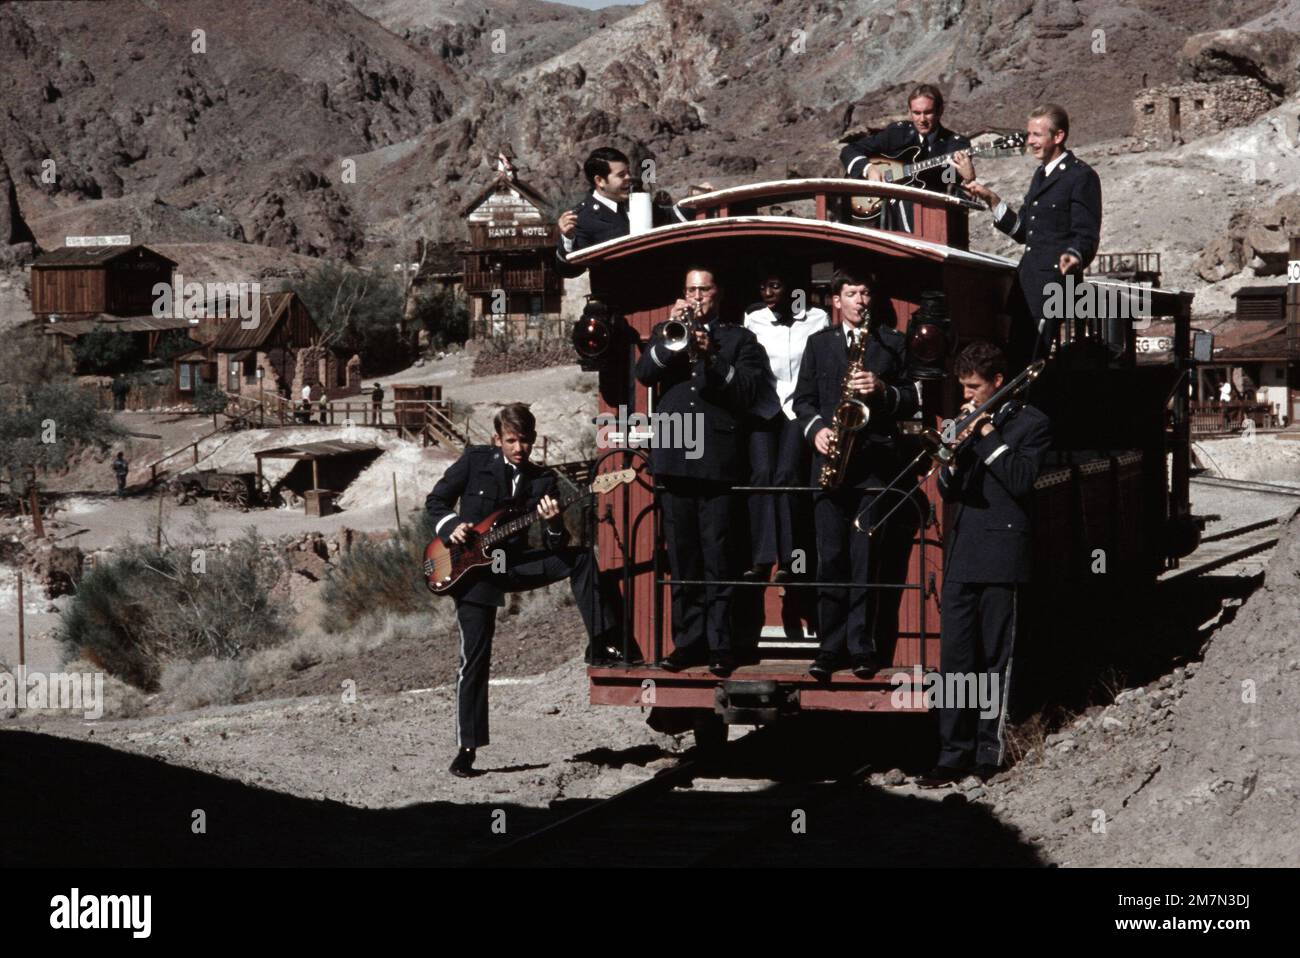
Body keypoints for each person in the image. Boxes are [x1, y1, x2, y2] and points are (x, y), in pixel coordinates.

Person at [425, 403, 623, 777]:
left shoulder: (542, 480)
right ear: (497, 439)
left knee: (579, 558)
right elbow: (435, 501)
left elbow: (554, 545)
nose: (520, 448)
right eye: (512, 440)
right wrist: (450, 526)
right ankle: (467, 749)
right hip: (473, 572)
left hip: (512, 565)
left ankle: (603, 640)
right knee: (475, 658)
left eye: (526, 440)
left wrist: (552, 524)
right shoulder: (474, 462)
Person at [917, 341, 1051, 787]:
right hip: (963, 555)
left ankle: (987, 751)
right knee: (955, 662)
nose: (969, 395)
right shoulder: (967, 423)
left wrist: (987, 436)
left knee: (995, 660)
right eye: (963, 387)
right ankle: (950, 753)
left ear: (997, 382)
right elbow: (952, 491)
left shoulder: (1032, 424)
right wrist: (951, 454)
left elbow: (1019, 480)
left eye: (975, 387)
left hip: (1002, 556)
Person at [636, 267, 767, 677]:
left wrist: (711, 354)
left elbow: (749, 392)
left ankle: (721, 646)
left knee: (719, 559)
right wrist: (670, 339)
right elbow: (644, 373)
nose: (697, 297)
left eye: (704, 290)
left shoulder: (739, 339)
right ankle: (687, 643)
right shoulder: (667, 330)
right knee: (684, 559)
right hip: (675, 457)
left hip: (717, 461)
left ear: (718, 293)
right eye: (690, 289)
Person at [793, 270, 918, 680]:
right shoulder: (818, 344)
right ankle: (829, 648)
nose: (860, 301)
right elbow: (803, 402)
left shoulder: (891, 343)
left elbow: (912, 400)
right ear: (836, 300)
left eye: (866, 293)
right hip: (830, 466)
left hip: (874, 469)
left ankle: (862, 647)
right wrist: (817, 432)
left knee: (866, 561)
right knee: (830, 560)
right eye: (851, 294)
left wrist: (881, 388)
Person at [951, 103, 1102, 362]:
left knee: (1035, 362)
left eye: (1036, 135)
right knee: (1019, 360)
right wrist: (992, 199)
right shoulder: (1040, 175)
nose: (1029, 141)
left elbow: (1086, 234)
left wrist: (1074, 255)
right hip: (1028, 286)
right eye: (1029, 134)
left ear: (1058, 136)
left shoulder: (1081, 176)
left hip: (1055, 287)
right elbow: (1024, 233)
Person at [742, 266, 828, 581]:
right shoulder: (753, 319)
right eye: (763, 286)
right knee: (762, 473)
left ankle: (793, 560)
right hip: (765, 407)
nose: (768, 293)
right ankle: (763, 557)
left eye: (775, 285)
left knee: (787, 474)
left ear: (790, 288)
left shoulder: (817, 318)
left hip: (797, 407)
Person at [840, 83, 972, 232]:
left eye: (928, 112)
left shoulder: (954, 145)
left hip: (931, 222)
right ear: (909, 112)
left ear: (940, 111)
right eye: (916, 113)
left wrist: (968, 180)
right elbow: (849, 150)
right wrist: (868, 169)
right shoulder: (898, 133)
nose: (922, 119)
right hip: (886, 215)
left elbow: (952, 189)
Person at [555, 146, 687, 277]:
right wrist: (568, 239)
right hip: (617, 296)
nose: (629, 177)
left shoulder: (638, 200)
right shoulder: (583, 218)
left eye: (628, 172)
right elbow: (569, 271)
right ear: (600, 181)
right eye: (621, 175)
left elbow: (670, 217)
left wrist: (695, 202)